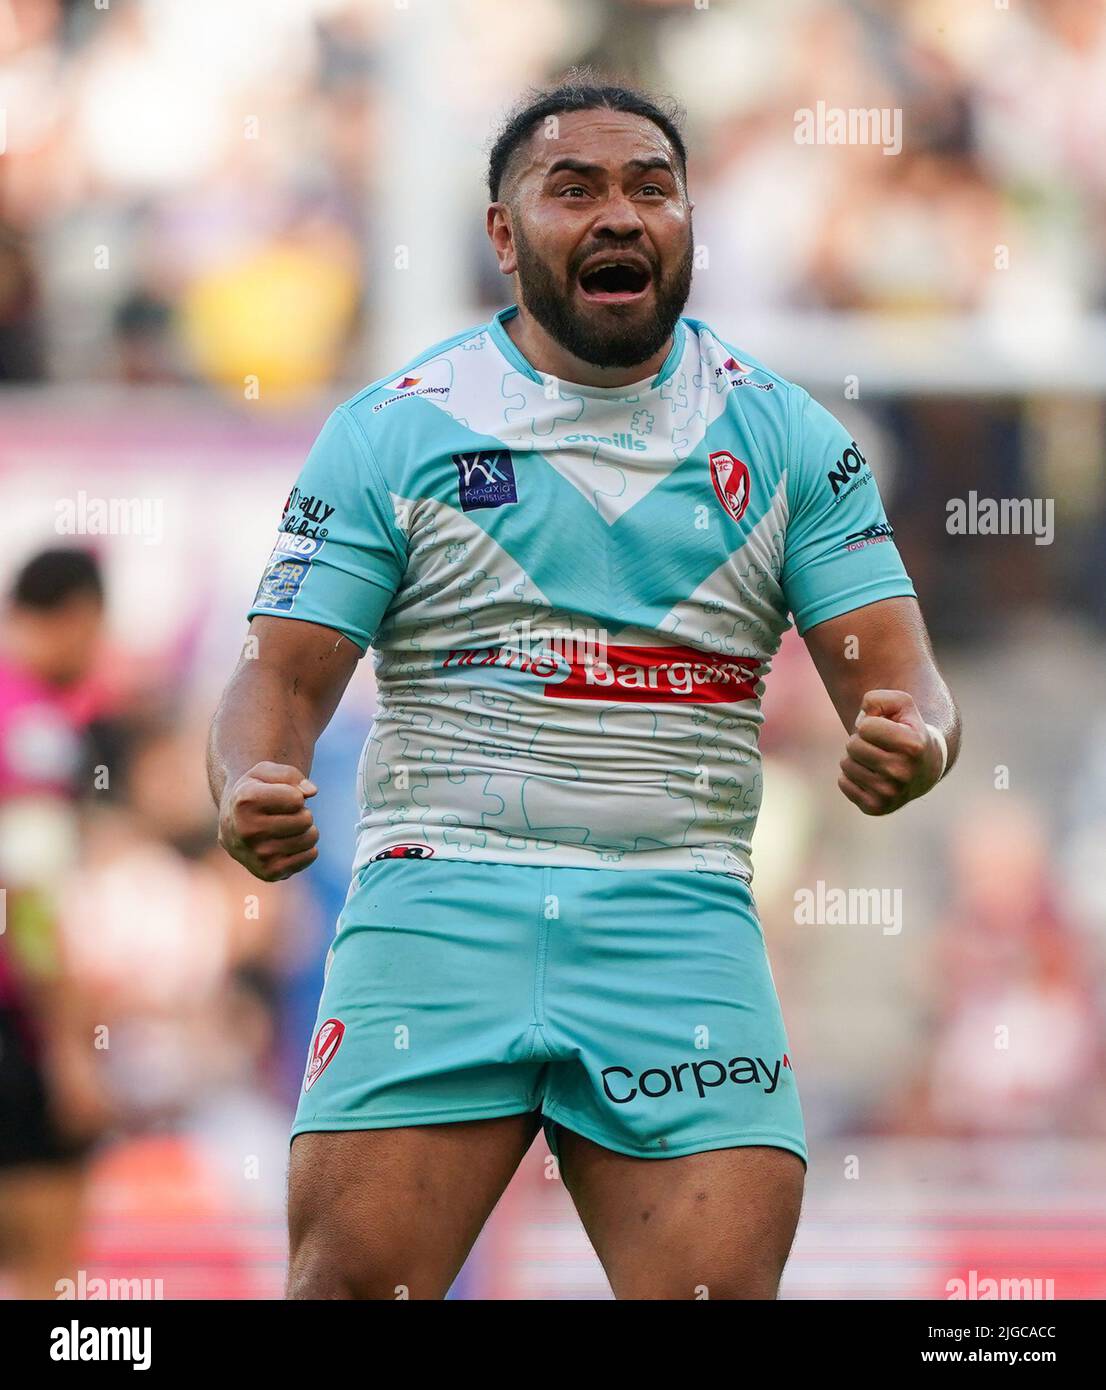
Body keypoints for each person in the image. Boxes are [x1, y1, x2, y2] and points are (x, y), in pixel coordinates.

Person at [209, 76, 961, 1300]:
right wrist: (248, 778)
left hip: (677, 917)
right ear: (503, 236)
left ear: (688, 224)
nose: (620, 215)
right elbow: (274, 681)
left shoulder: (785, 439)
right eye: (574, 189)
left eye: (649, 188)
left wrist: (914, 741)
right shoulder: (393, 431)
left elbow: (910, 687)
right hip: (437, 903)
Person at [0, 547, 108, 1298]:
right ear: (77, 618)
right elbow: (29, 895)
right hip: (14, 1028)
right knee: (48, 1268)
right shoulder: (32, 722)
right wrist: (69, 1049)